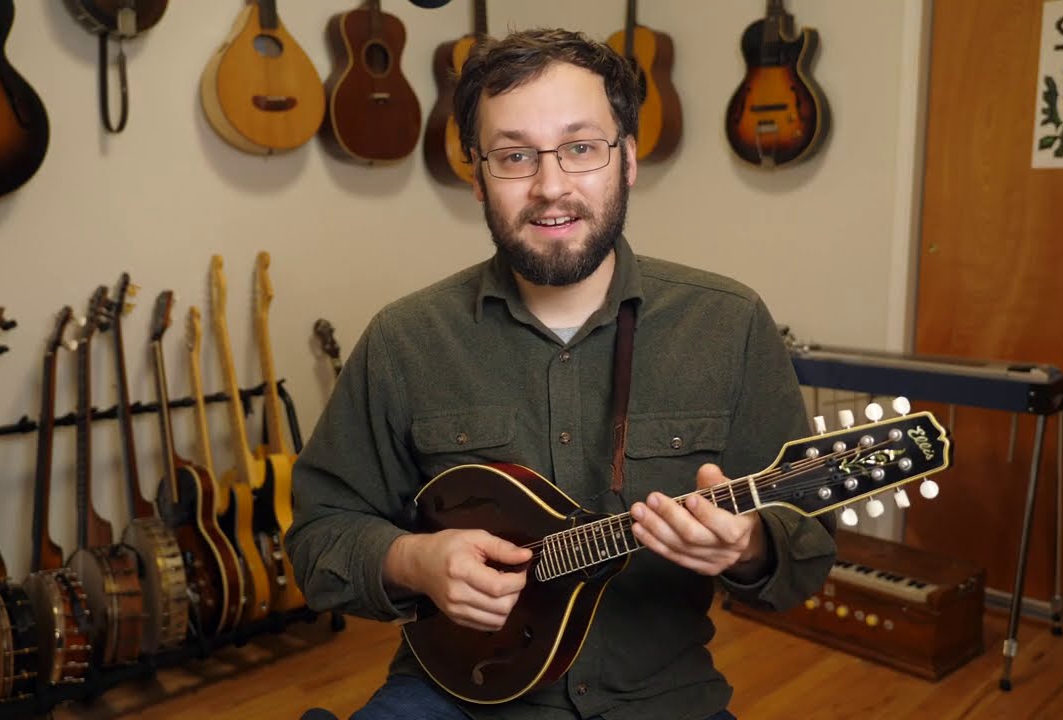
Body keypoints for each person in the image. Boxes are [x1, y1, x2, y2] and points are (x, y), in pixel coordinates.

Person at [286, 28, 836, 720]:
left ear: (627, 161)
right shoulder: (406, 339)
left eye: (581, 148)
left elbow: (807, 550)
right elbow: (317, 537)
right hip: (455, 690)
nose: (551, 188)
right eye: (515, 155)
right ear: (477, 173)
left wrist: (750, 545)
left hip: (659, 698)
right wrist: (413, 562)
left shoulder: (729, 325)